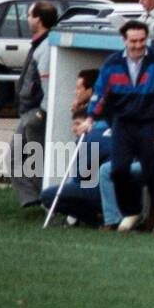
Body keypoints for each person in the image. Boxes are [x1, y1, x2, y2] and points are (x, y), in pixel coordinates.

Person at [82, 20, 154, 232]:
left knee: (153, 172)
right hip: (123, 123)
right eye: (133, 41)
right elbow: (100, 93)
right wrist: (91, 117)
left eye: (142, 40)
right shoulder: (112, 63)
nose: (138, 45)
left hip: (151, 122)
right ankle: (131, 210)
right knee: (118, 170)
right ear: (124, 40)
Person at [39, 69, 104, 225]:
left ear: (90, 91)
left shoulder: (96, 122)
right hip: (90, 179)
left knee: (49, 195)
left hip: (95, 183)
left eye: (79, 88)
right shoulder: (88, 112)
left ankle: (90, 218)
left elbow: (85, 172)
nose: (75, 92)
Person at [12, 1, 58, 207]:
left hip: (36, 112)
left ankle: (47, 200)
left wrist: (43, 112)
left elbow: (48, 83)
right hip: (28, 111)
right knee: (15, 157)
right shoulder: (39, 43)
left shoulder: (46, 47)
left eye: (30, 15)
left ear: (38, 19)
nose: (28, 19)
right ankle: (32, 199)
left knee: (34, 158)